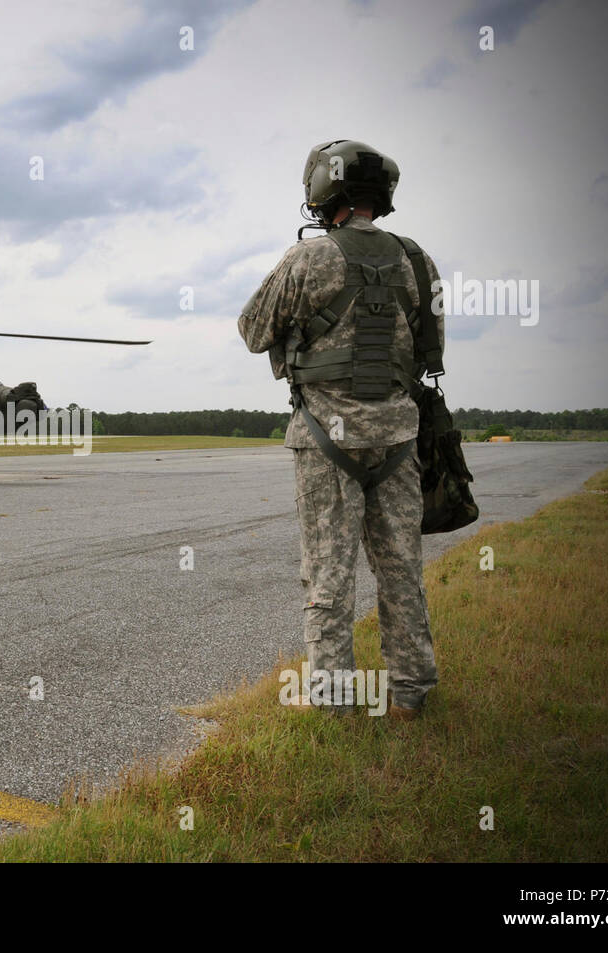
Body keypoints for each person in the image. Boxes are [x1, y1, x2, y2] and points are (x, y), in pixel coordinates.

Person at [237, 140, 444, 719]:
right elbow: (432, 347)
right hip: (400, 442)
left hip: (328, 443)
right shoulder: (417, 261)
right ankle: (412, 695)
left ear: (321, 192)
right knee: (402, 572)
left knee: (328, 579)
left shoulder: (309, 260)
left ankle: (334, 703)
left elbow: (254, 331)